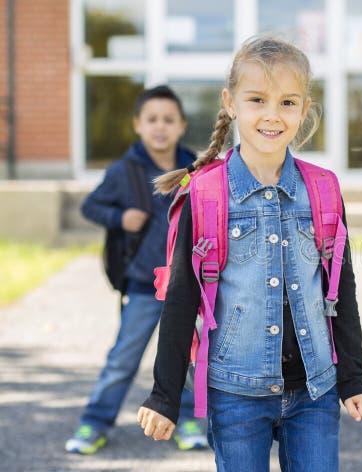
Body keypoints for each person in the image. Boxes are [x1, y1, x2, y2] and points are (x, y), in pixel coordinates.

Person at [136, 35, 362, 471]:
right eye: (257, 99)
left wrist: (353, 378)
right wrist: (165, 394)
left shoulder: (323, 189)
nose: (272, 115)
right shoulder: (206, 194)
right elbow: (181, 299)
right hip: (235, 393)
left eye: (287, 102)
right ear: (230, 102)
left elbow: (342, 289)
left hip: (315, 392)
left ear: (305, 109)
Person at [66, 85, 207, 454]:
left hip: (189, 285)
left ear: (181, 126)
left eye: (168, 120)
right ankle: (94, 422)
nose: (160, 127)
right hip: (145, 285)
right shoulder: (123, 170)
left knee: (190, 357)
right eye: (152, 119)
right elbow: (90, 208)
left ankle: (187, 419)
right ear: (137, 125)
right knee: (122, 359)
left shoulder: (196, 166)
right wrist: (119, 217)